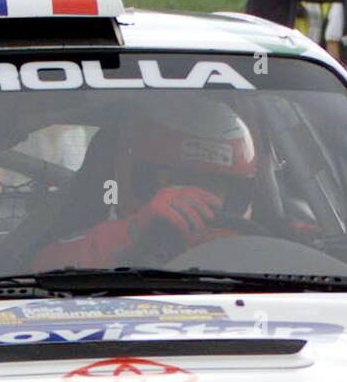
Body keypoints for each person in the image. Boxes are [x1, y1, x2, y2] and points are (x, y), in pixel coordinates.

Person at [33, 99, 261, 271]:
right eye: (179, 182)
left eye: (213, 184)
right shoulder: (102, 240)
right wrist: (134, 233)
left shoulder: (257, 246)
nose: (193, 194)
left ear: (237, 193)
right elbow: (44, 269)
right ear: (139, 178)